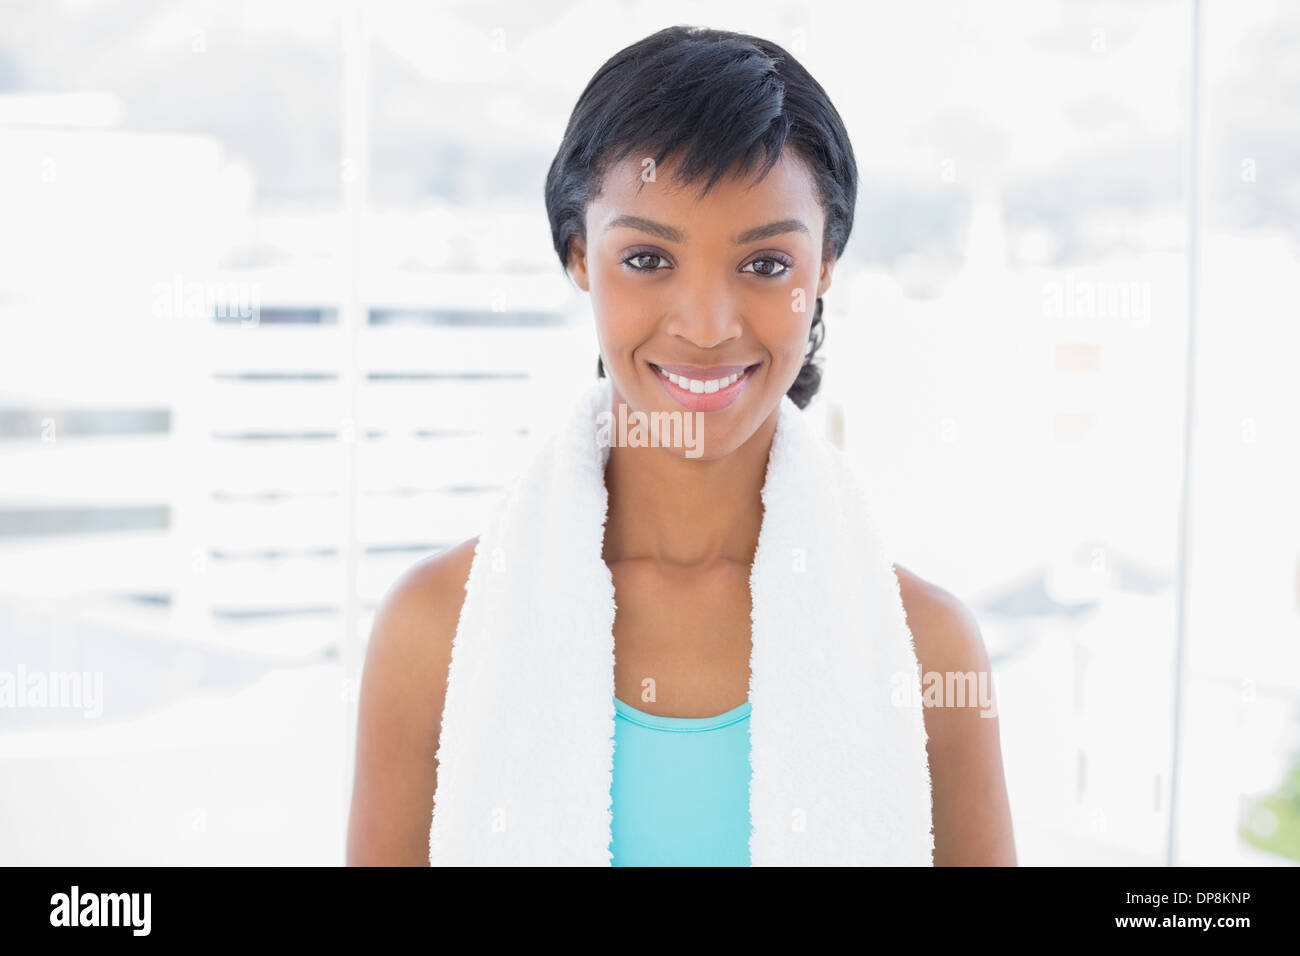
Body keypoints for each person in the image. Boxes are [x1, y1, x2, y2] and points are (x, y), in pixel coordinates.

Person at [347, 24, 1016, 866]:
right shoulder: (433, 632)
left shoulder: (929, 652)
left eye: (767, 265)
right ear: (578, 257)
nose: (705, 325)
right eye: (649, 258)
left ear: (828, 266)